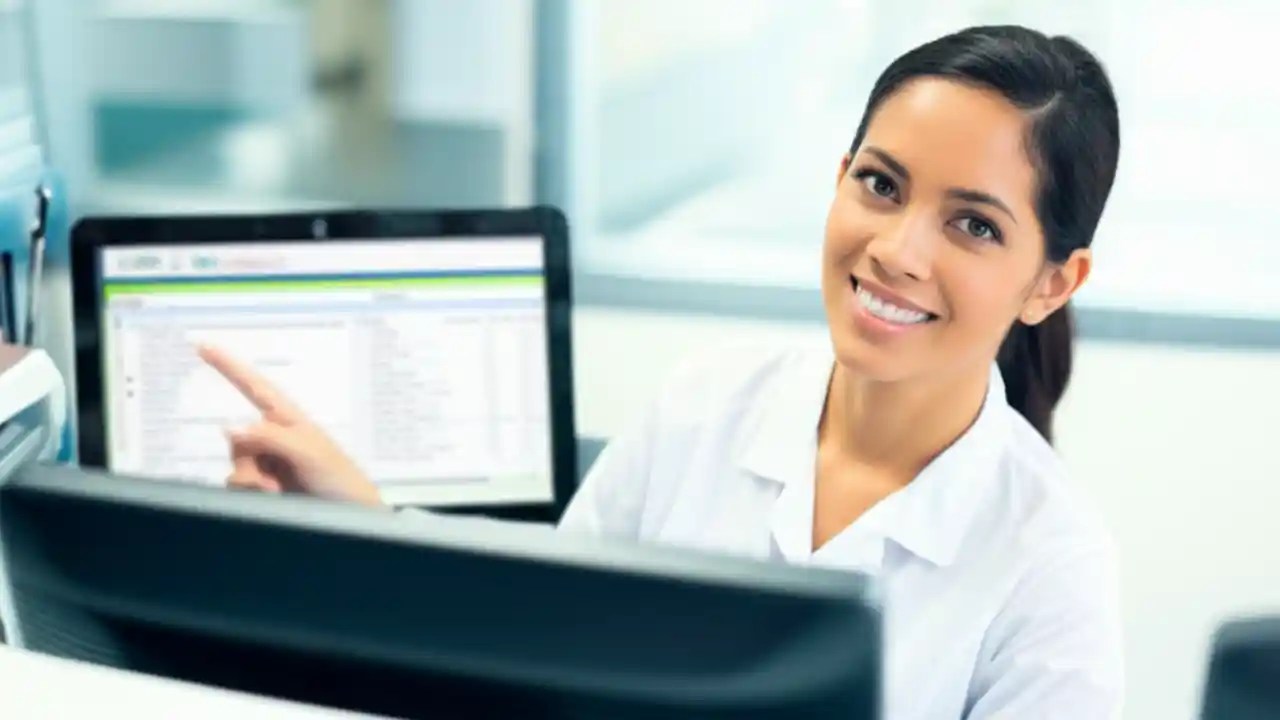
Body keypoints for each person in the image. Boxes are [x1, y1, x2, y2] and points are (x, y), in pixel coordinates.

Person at [199, 25, 1123, 720]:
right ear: (839, 176)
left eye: (974, 225)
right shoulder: (706, 403)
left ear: (1052, 281)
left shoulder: (1048, 564)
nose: (898, 249)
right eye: (880, 184)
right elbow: (536, 638)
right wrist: (363, 521)